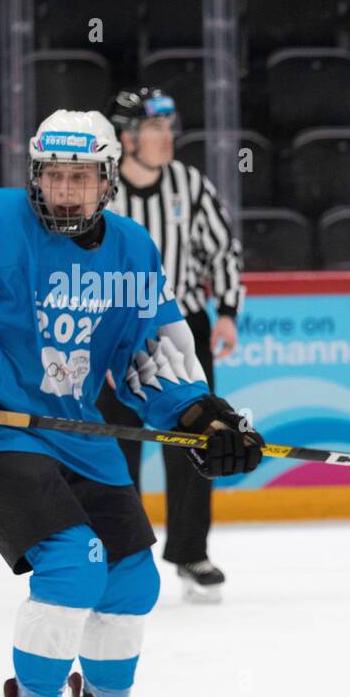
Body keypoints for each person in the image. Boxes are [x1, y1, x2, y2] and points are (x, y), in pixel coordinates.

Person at [0, 110, 264, 697]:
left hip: (75, 429)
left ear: (108, 181)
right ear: (35, 175)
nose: (65, 191)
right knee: (73, 563)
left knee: (130, 578)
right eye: (53, 176)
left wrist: (202, 417)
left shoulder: (131, 248)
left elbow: (151, 349)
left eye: (82, 178)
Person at [95, 87, 246, 603]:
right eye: (154, 128)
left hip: (182, 329)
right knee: (117, 448)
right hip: (113, 334)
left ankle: (190, 552)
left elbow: (222, 251)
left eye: (167, 127)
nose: (167, 137)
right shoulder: (102, 190)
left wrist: (227, 313)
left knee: (197, 437)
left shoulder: (189, 184)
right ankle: (119, 554)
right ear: (126, 138)